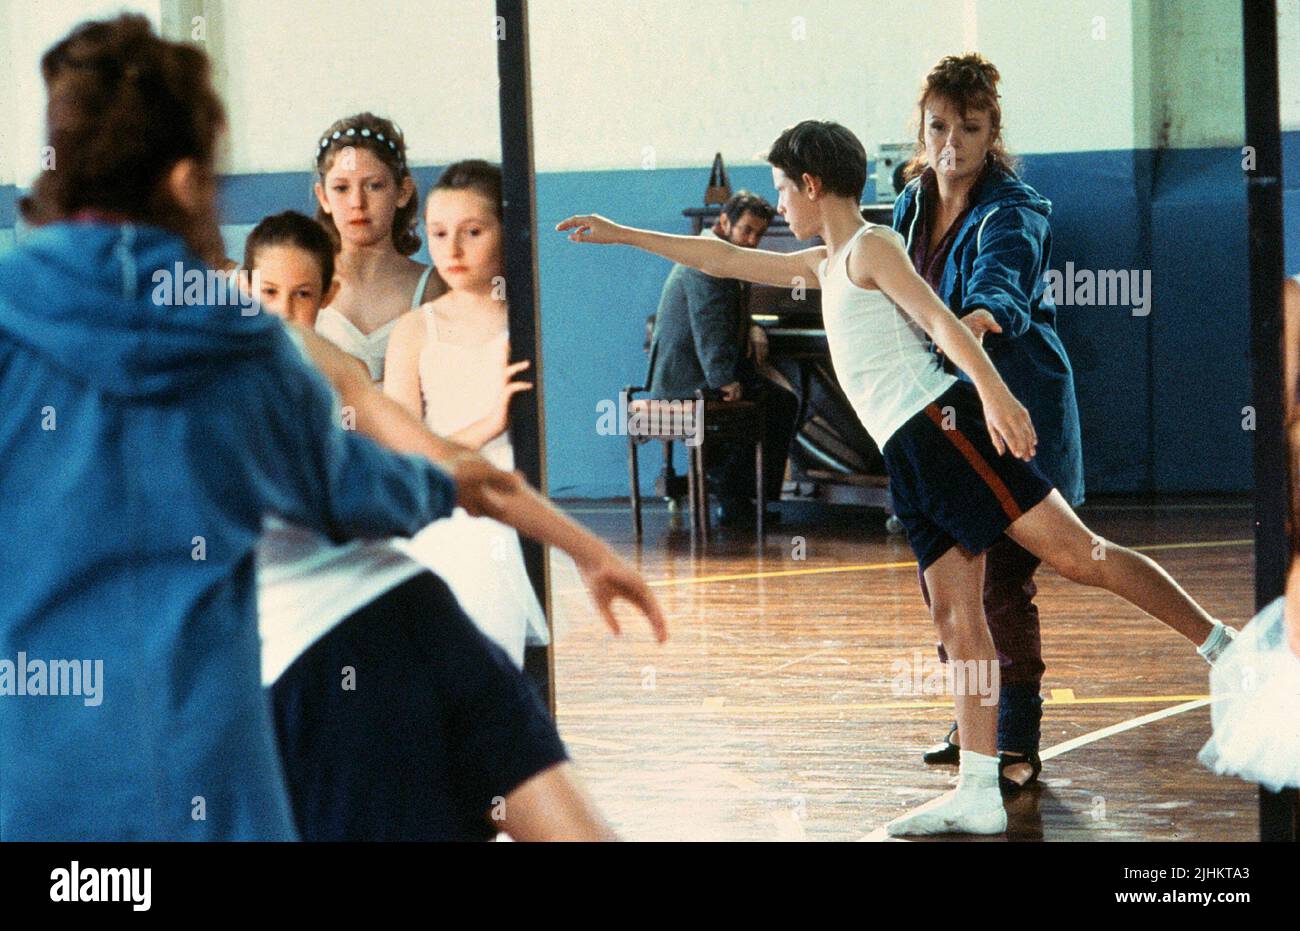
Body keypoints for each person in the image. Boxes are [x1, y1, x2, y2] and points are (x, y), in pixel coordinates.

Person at [557, 119, 1236, 836]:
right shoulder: (826, 261)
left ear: (812, 186)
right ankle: (978, 788)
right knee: (955, 617)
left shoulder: (873, 249)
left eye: (786, 192)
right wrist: (625, 233)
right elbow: (720, 258)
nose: (781, 208)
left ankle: (1223, 646)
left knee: (1079, 555)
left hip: (946, 431)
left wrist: (996, 396)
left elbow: (943, 324)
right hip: (908, 454)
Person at [0, 14, 504, 840]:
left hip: (33, 781)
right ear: (190, 179)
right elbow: (348, 489)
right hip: (203, 777)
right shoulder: (241, 345)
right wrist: (451, 478)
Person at [241, 211, 668, 839]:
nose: (283, 309)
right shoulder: (327, 362)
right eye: (270, 292)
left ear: (326, 294)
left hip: (323, 672)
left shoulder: (160, 376)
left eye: (302, 294)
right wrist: (590, 551)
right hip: (420, 618)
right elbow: (466, 474)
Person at [892, 54, 1085, 791]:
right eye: (939, 126)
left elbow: (997, 293)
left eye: (969, 129)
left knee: (1003, 579)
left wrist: (963, 328)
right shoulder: (910, 201)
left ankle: (1017, 739)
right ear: (923, 126)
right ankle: (975, 718)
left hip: (1010, 404)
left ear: (991, 131)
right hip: (941, 414)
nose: (952, 143)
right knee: (947, 583)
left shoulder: (1017, 209)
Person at [384, 161, 547, 665]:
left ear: (504, 230)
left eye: (472, 232)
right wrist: (488, 423)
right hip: (440, 502)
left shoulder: (524, 321)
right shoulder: (413, 330)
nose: (452, 249)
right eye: (438, 233)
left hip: (506, 506)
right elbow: (402, 448)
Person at [644, 190, 798, 526]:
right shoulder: (707, 263)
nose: (752, 241)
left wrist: (754, 327)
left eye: (758, 234)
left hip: (698, 372)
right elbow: (710, 328)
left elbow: (725, 313)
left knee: (771, 400)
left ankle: (733, 492)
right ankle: (737, 500)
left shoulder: (716, 253)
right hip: (687, 381)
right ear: (724, 221)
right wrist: (724, 380)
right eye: (747, 231)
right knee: (779, 404)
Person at [312, 112, 445, 383]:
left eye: (374, 186)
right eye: (340, 188)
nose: (357, 202)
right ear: (323, 197)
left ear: (402, 192)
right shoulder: (306, 285)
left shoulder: (433, 287)